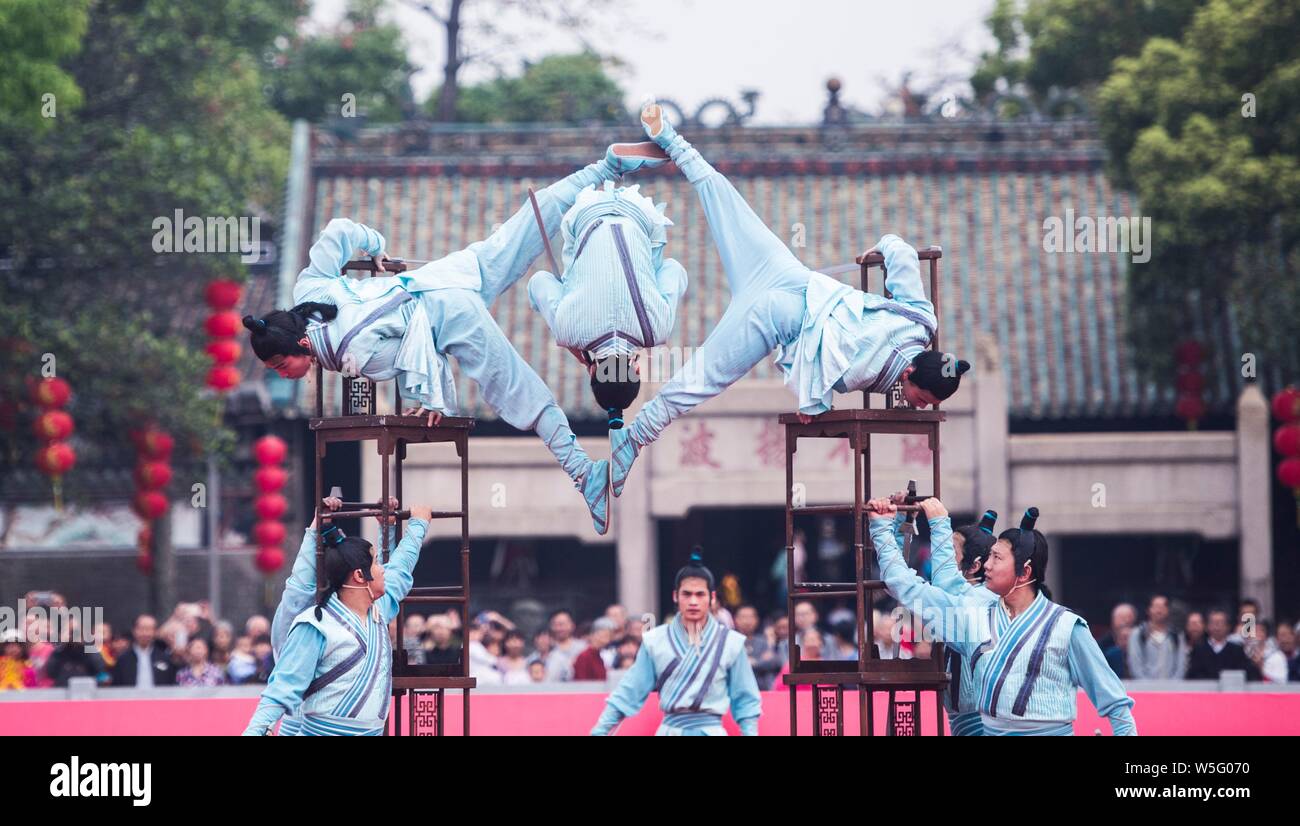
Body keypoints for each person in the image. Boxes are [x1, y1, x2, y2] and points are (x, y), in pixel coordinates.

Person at [243, 143, 667, 536]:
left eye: (283, 367)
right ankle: (605, 167)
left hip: (450, 313)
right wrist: (376, 247)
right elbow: (338, 230)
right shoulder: (309, 289)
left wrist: (431, 399)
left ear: (300, 346)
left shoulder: (352, 355)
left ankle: (582, 472)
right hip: (445, 275)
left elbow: (417, 341)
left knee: (516, 389)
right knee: (525, 226)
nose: (290, 375)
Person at [609, 103, 969, 498]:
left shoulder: (920, 320)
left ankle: (671, 141)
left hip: (792, 276)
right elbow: (823, 353)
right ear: (909, 373)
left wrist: (881, 250)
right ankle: (632, 440)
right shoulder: (868, 371)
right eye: (922, 399)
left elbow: (901, 251)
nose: (920, 406)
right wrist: (814, 404)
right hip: (775, 316)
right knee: (699, 380)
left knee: (728, 204)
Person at [870, 502, 1137, 736]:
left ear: (1025, 571)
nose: (987, 565)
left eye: (997, 558)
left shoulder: (1066, 626)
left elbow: (1113, 700)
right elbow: (908, 587)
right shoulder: (972, 618)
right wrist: (881, 529)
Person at [528, 143, 684, 428]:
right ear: (590, 373)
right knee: (568, 256)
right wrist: (565, 330)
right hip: (584, 212)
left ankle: (614, 168)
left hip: (642, 215)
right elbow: (539, 281)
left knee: (657, 265)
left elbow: (675, 270)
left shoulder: (658, 331)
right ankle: (604, 168)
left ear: (637, 368)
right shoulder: (567, 331)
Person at [241, 503, 433, 735]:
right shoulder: (315, 623)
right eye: (375, 564)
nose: (382, 569)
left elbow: (399, 571)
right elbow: (282, 688)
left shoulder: (376, 610)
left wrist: (411, 527)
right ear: (359, 576)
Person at [591, 552, 762, 736]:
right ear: (675, 596)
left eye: (700, 594)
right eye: (686, 594)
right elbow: (629, 692)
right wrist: (599, 732)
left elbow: (746, 700)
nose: (693, 601)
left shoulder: (731, 642)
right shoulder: (655, 640)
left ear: (711, 597)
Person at [1186, 609, 1261, 681]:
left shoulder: (1237, 650)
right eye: (1214, 623)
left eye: (1221, 622)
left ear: (1228, 627)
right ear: (1207, 626)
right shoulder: (1199, 650)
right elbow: (1192, 676)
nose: (1217, 627)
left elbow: (1247, 674)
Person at [1128, 595, 1187, 680]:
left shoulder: (1177, 635)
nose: (1159, 610)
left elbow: (1181, 666)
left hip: (1172, 690)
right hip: (1144, 689)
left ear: (1168, 610)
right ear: (1149, 610)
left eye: (1163, 607)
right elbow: (1135, 665)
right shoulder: (1138, 634)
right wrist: (1147, 687)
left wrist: (1173, 686)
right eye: (1156, 607)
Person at [110, 614, 176, 687]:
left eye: (149, 629)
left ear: (155, 632)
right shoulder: (123, 659)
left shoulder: (164, 658)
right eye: (141, 629)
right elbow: (116, 687)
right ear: (134, 631)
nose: (145, 633)